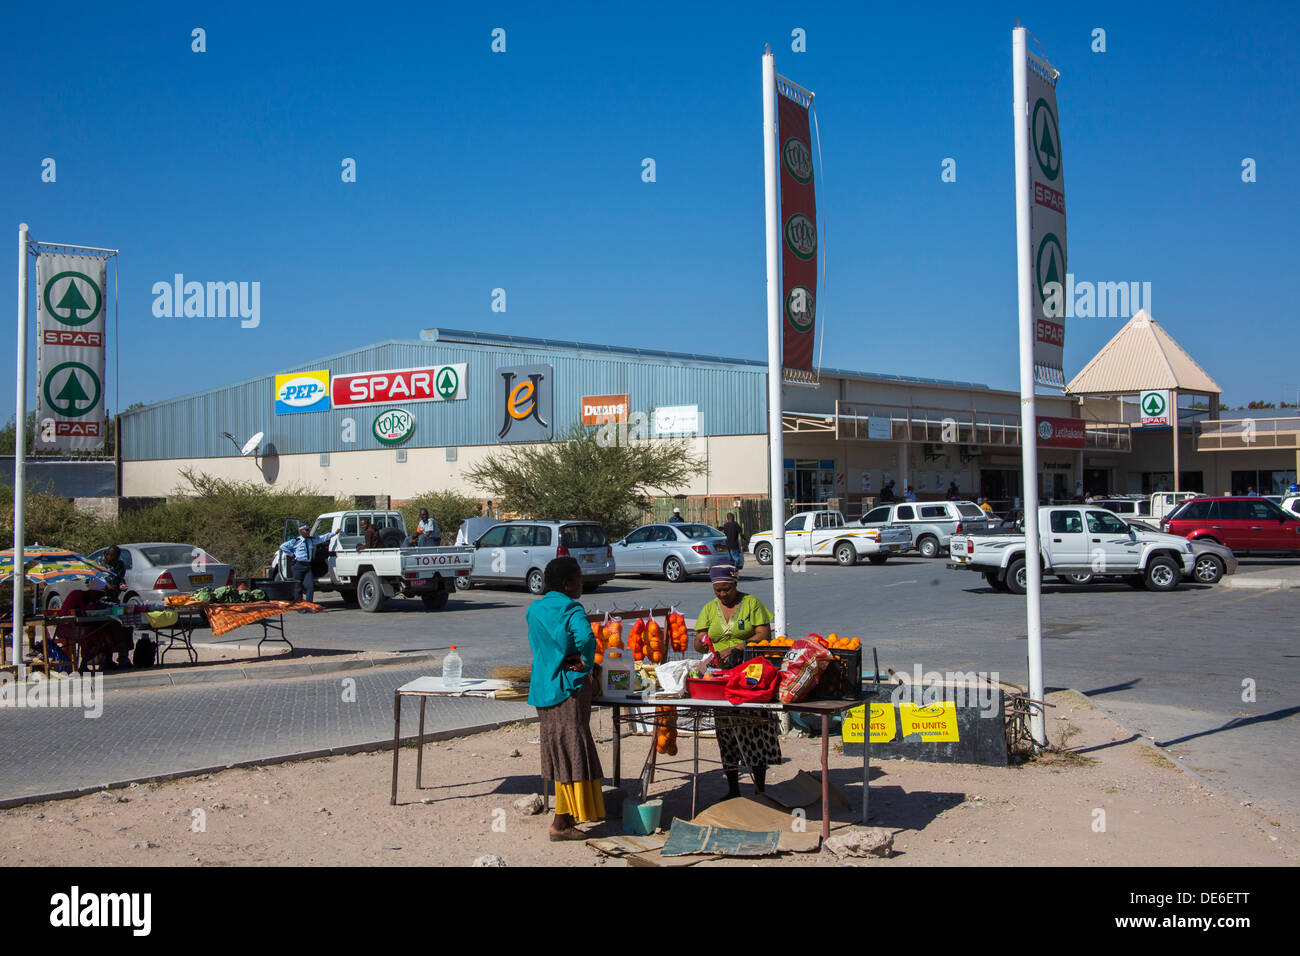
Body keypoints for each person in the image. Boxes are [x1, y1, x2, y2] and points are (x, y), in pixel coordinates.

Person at [526, 557, 603, 840]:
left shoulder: (534, 609)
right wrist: (584, 660)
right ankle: (561, 822)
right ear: (569, 584)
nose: (582, 583)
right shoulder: (572, 607)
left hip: (543, 689)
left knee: (558, 751)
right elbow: (585, 637)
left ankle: (564, 817)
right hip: (567, 688)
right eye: (580, 578)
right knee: (573, 748)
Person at [692, 564, 780, 798]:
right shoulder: (710, 609)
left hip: (750, 676)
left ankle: (760, 788)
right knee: (726, 732)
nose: (723, 594)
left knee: (753, 730)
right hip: (722, 678)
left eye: (727, 589)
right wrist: (702, 642)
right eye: (718, 590)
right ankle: (733, 789)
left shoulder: (751, 603)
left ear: (735, 584)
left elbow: (764, 634)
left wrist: (737, 646)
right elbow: (698, 641)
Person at [54, 579, 133, 671]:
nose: (99, 597)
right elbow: (76, 613)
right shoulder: (77, 595)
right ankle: (84, 664)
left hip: (81, 625)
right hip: (67, 626)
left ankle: (108, 660)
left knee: (106, 630)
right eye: (98, 595)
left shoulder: (91, 601)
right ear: (92, 592)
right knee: (95, 635)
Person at [278, 523, 339, 604]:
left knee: (310, 586)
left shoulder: (311, 540)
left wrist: (334, 533)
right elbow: (283, 546)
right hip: (298, 566)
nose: (308, 531)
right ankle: (300, 606)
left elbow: (322, 538)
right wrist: (291, 555)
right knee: (298, 587)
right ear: (301, 531)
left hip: (307, 566)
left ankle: (309, 605)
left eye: (309, 530)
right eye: (306, 530)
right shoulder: (296, 541)